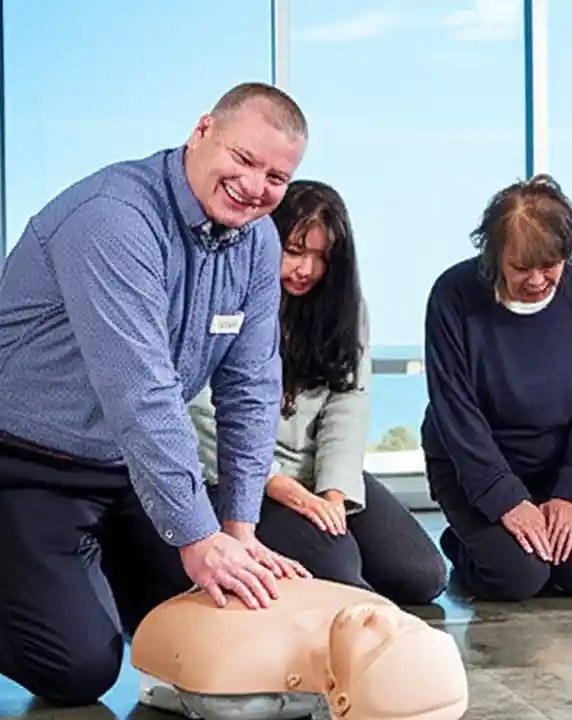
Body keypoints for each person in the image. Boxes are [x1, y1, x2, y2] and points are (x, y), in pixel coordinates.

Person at [0, 82, 310, 705]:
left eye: (276, 177)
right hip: (25, 466)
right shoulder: (115, 218)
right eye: (244, 160)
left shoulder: (257, 242)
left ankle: (71, 582)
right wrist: (197, 540)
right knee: (79, 669)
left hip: (124, 472)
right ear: (202, 133)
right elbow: (141, 392)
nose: (256, 187)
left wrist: (237, 529)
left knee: (237, 597)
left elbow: (251, 387)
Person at [187, 180, 448, 606]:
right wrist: (279, 486)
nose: (306, 269)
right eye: (295, 251)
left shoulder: (346, 308)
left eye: (321, 257)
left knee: (422, 576)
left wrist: (334, 494)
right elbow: (200, 406)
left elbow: (349, 403)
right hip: (246, 480)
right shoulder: (225, 296)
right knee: (342, 574)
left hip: (316, 476)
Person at [421, 174, 572, 602]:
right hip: (474, 467)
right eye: (521, 268)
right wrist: (505, 499)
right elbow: (456, 414)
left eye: (549, 266)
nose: (536, 281)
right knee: (519, 576)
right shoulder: (452, 296)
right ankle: (462, 542)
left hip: (554, 468)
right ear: (495, 257)